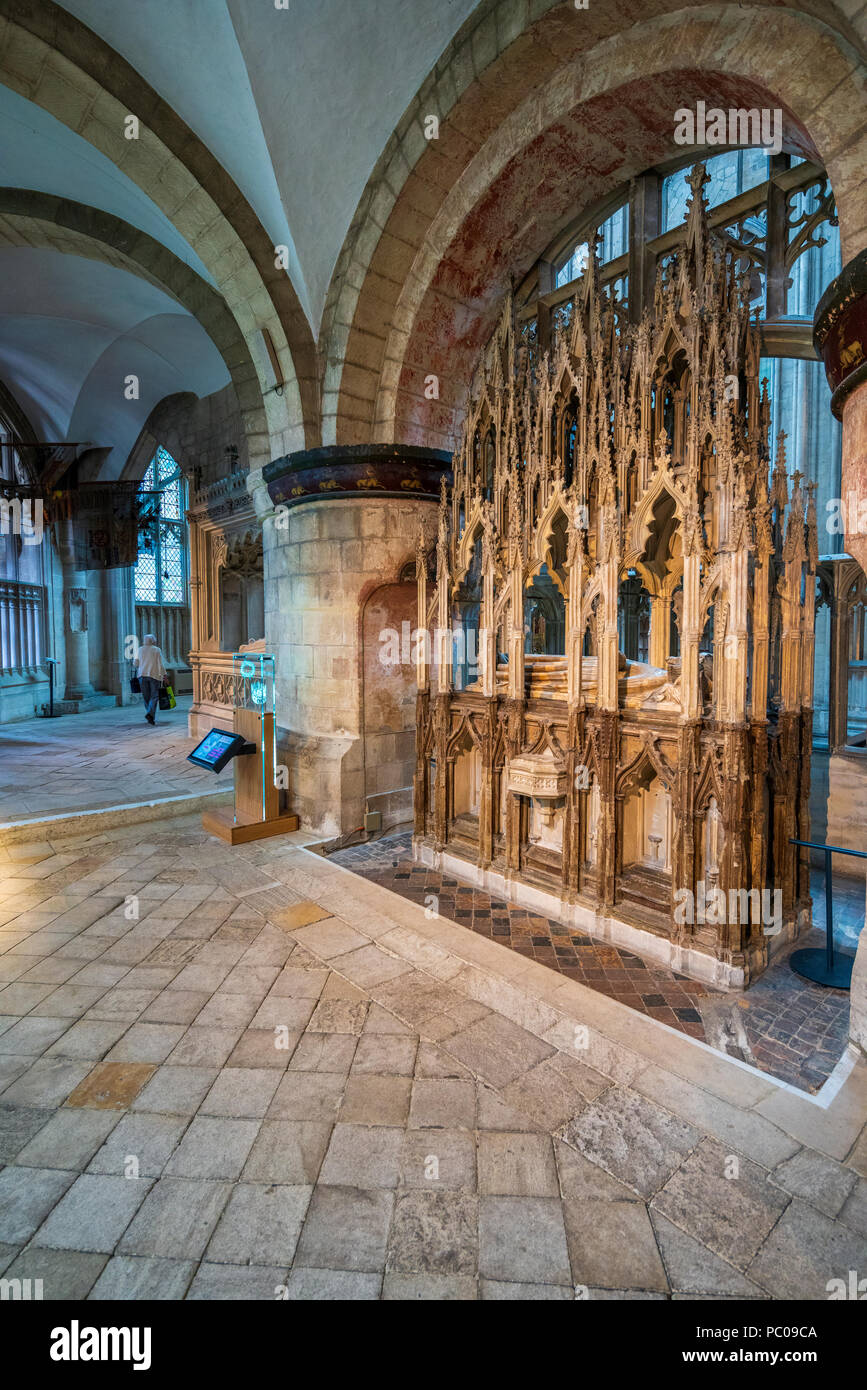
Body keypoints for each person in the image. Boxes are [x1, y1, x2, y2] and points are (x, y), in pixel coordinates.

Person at [136, 634, 167, 725]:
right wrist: (164, 675)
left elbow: (136, 663)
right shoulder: (156, 650)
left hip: (142, 675)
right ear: (153, 641)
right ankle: (150, 714)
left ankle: (150, 715)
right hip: (154, 675)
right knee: (154, 696)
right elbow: (160, 664)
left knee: (146, 697)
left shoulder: (140, 649)